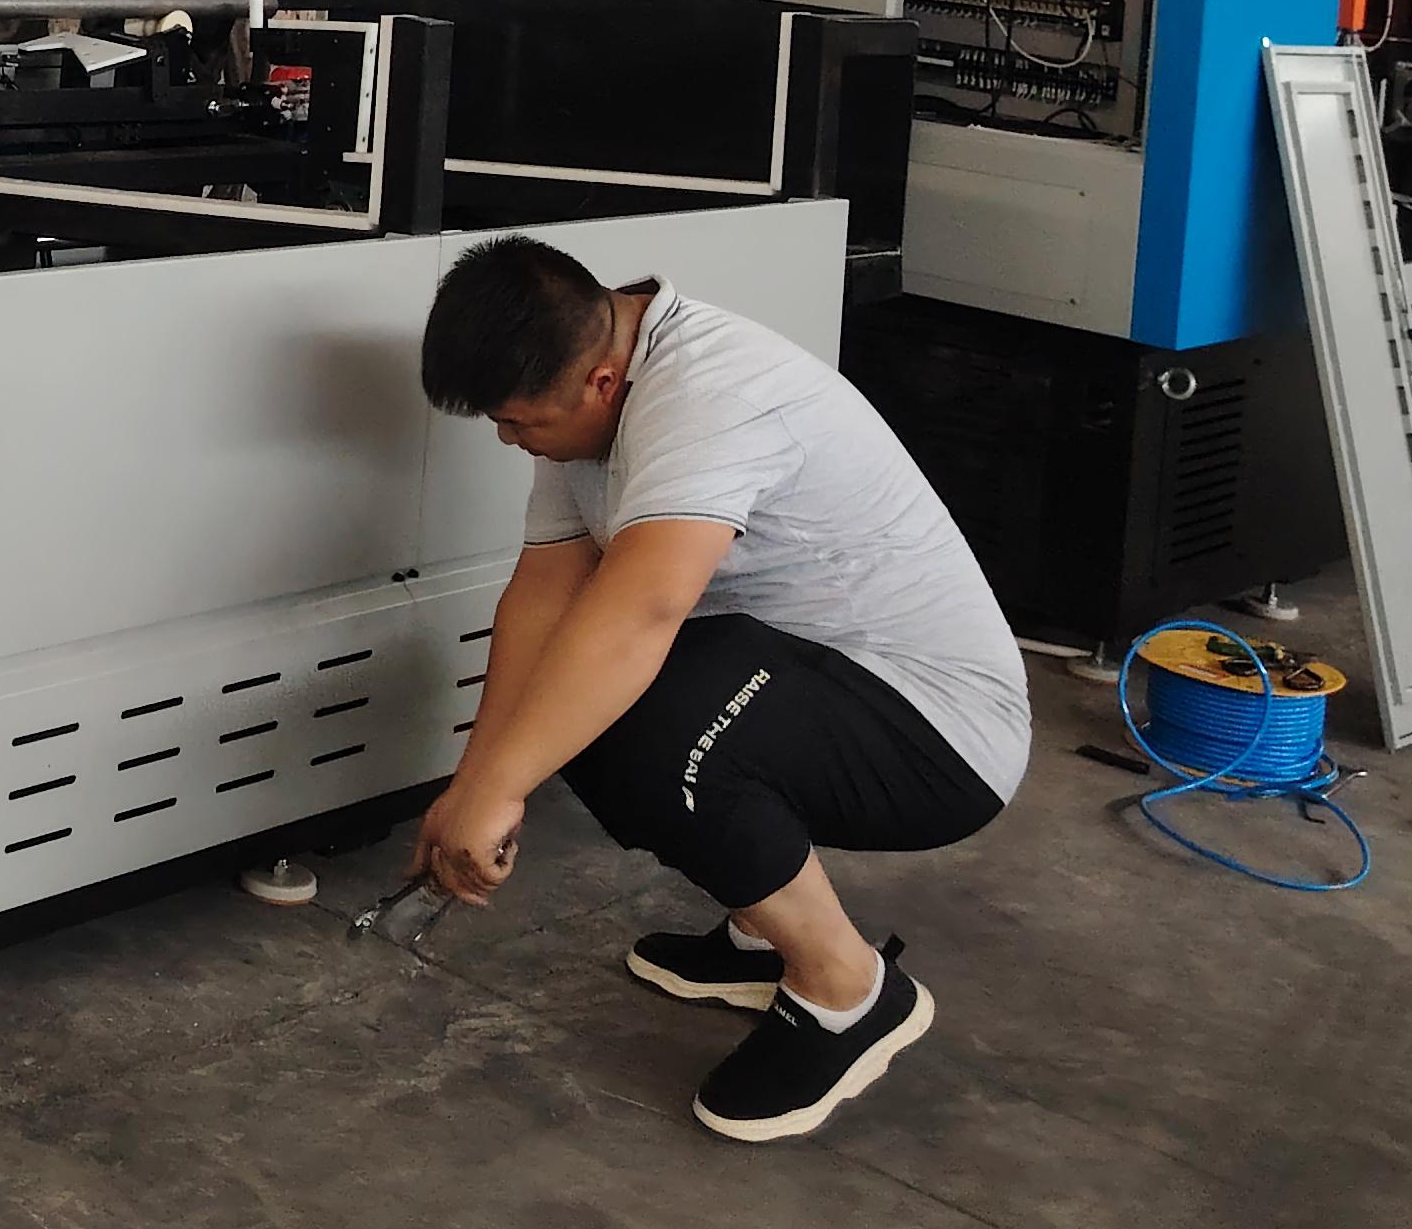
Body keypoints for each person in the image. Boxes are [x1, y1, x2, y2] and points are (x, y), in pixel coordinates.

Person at [404, 237, 1027, 1144]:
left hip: (941, 736)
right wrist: (477, 783)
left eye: (518, 422)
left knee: (637, 718)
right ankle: (760, 935)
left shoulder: (709, 397)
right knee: (578, 697)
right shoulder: (588, 372)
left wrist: (499, 789)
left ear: (600, 383)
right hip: (814, 678)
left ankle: (849, 990)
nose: (510, 439)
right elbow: (546, 592)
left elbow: (641, 616)